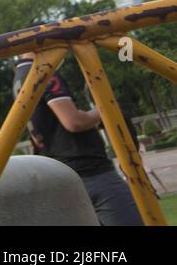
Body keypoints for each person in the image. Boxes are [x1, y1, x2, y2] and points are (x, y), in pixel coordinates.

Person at [12, 49, 144, 225]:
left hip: (59, 172)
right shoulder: (43, 70)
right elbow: (73, 122)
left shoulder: (18, 77)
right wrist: (105, 109)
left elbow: (37, 134)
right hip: (89, 168)